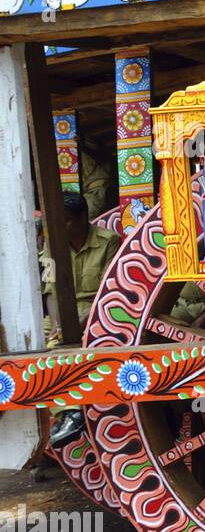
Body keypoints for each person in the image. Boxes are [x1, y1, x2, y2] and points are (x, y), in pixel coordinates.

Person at [42, 191, 122, 449]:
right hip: (61, 312)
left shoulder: (109, 241)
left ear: (82, 218)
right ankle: (66, 415)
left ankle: (70, 413)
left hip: (99, 310)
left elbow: (110, 293)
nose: (60, 228)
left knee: (64, 347)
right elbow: (50, 291)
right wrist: (56, 324)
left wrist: (80, 323)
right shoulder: (51, 245)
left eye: (65, 221)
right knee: (33, 346)